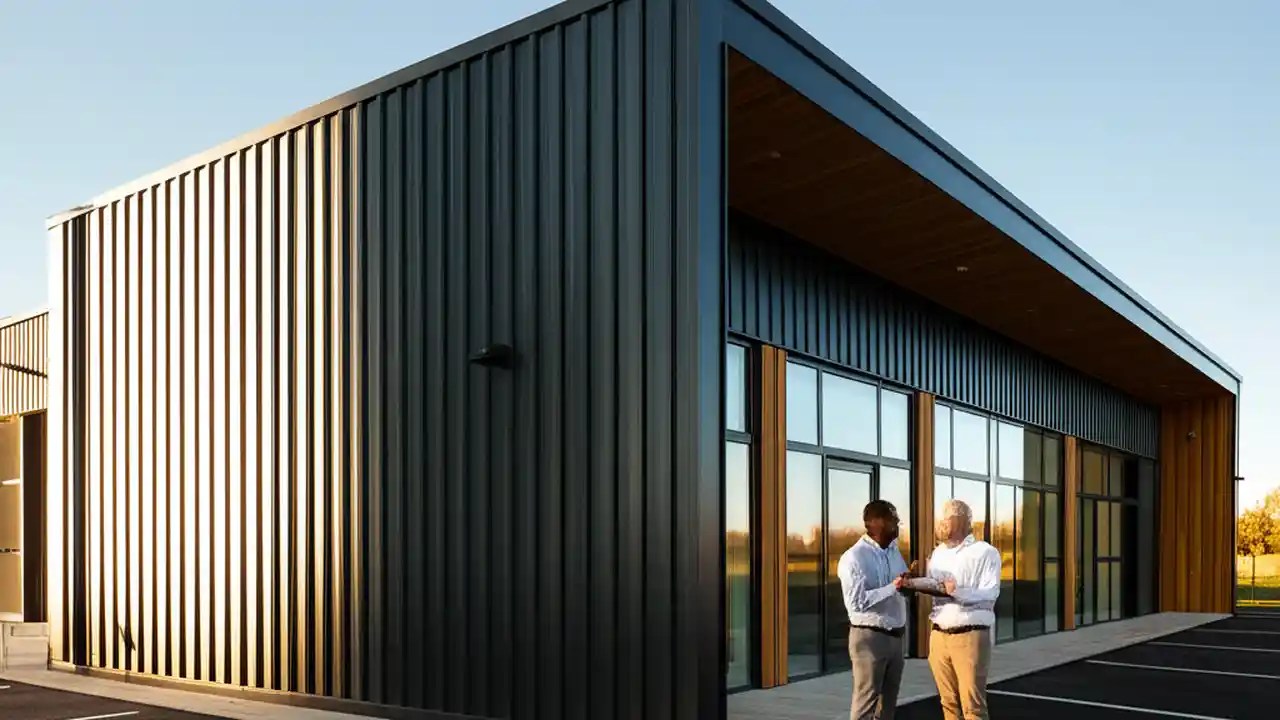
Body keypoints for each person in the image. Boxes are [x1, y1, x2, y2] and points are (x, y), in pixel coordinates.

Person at [925, 498, 1002, 720]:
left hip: (970, 637)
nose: (941, 524)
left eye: (946, 519)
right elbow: (935, 588)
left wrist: (957, 592)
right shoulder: (939, 552)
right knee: (948, 703)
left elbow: (990, 593)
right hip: (939, 636)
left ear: (960, 521)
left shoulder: (985, 552)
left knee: (973, 706)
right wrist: (915, 582)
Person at [837, 499, 910, 720]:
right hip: (869, 639)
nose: (898, 523)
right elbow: (856, 602)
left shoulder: (894, 552)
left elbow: (900, 586)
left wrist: (909, 583)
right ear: (875, 522)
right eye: (893, 519)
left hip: (896, 638)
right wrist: (893, 587)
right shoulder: (854, 558)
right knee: (865, 705)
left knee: (887, 708)